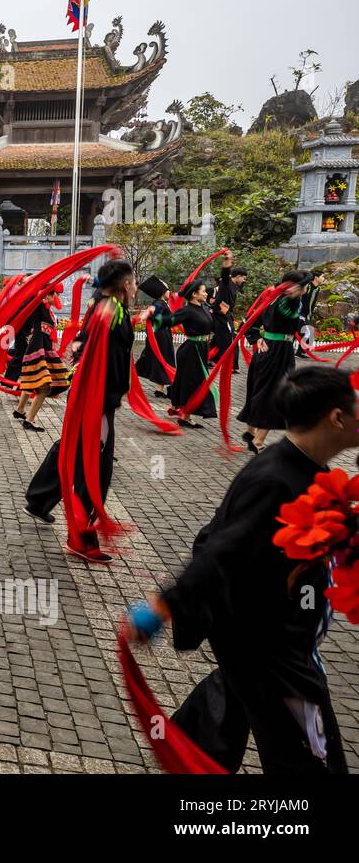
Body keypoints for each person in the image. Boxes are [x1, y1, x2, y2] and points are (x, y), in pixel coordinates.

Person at [125, 366, 359, 774]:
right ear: (337, 418)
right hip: (279, 652)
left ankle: (190, 750)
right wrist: (164, 606)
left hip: (262, 635)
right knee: (312, 760)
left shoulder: (303, 469)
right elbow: (220, 550)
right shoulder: (275, 479)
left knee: (235, 691)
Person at [24, 260, 139, 563]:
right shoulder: (109, 311)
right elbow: (95, 349)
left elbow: (89, 344)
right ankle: (82, 539)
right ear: (126, 284)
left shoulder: (107, 307)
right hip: (96, 401)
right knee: (95, 470)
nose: (137, 287)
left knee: (73, 451)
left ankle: (38, 499)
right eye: (134, 281)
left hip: (96, 399)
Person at [238, 271, 309, 453]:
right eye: (304, 285)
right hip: (278, 353)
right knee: (275, 393)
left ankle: (250, 432)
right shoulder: (287, 303)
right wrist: (256, 338)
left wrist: (256, 338)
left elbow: (249, 321)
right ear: (296, 288)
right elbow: (289, 313)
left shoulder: (271, 299)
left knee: (259, 389)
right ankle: (258, 441)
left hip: (268, 350)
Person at [151, 280, 217, 427]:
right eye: (203, 291)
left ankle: (175, 407)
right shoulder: (187, 310)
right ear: (194, 294)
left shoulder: (204, 307)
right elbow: (170, 320)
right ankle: (185, 416)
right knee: (193, 382)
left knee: (183, 379)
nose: (206, 293)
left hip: (201, 348)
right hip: (191, 350)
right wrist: (152, 317)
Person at [13, 289, 70, 432]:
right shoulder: (39, 306)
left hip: (43, 350)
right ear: (48, 295)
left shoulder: (48, 311)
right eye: (56, 295)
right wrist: (38, 288)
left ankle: (20, 410)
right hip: (36, 351)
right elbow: (31, 298)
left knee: (32, 381)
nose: (58, 297)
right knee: (44, 388)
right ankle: (29, 420)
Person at [134, 275, 175, 399]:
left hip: (161, 336)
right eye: (167, 289)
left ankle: (159, 389)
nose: (169, 291)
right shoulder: (159, 304)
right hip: (161, 338)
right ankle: (160, 389)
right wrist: (148, 312)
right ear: (162, 292)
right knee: (164, 360)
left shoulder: (162, 303)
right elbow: (153, 310)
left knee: (153, 359)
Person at [210, 253, 247, 372]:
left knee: (219, 339)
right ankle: (229, 365)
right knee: (228, 340)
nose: (244, 280)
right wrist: (227, 263)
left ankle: (209, 359)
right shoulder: (226, 283)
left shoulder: (234, 286)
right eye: (243, 278)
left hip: (226, 316)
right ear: (238, 276)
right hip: (221, 316)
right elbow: (225, 275)